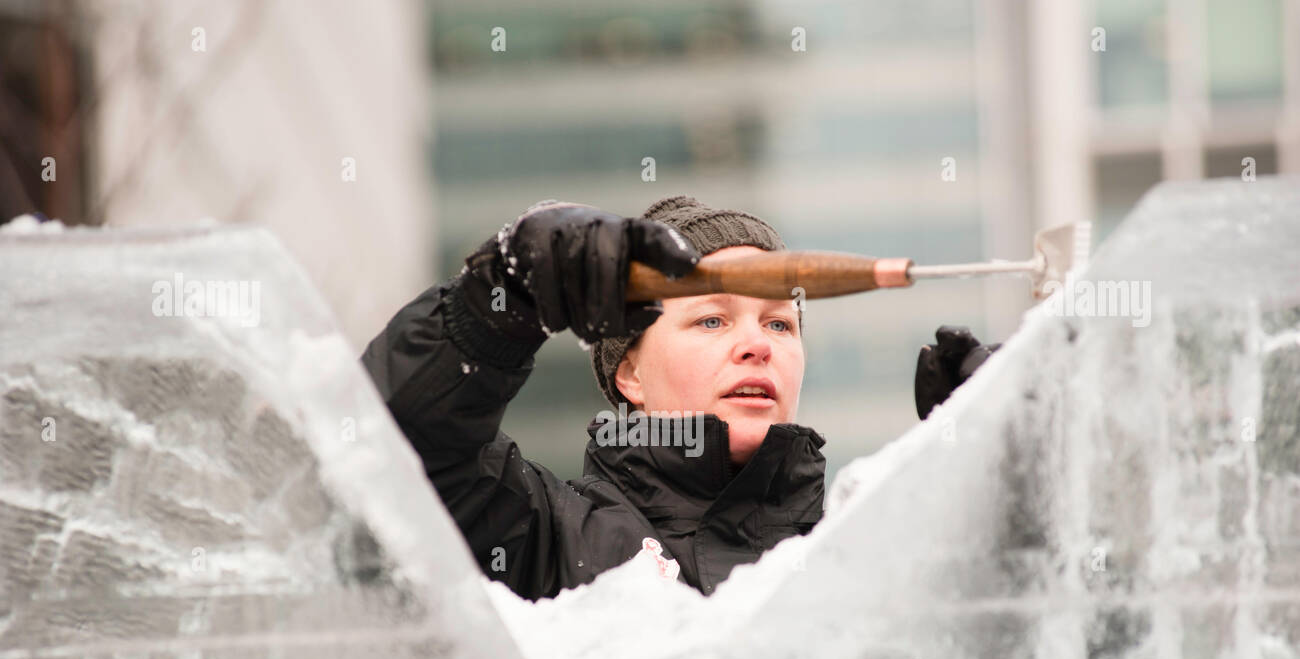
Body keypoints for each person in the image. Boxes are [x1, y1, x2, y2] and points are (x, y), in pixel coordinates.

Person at [361, 196, 994, 601]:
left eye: (780, 323)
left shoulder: (869, 553)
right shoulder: (543, 538)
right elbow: (390, 447)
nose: (757, 345)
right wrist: (499, 300)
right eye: (712, 321)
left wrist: (1001, 467)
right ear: (628, 374)